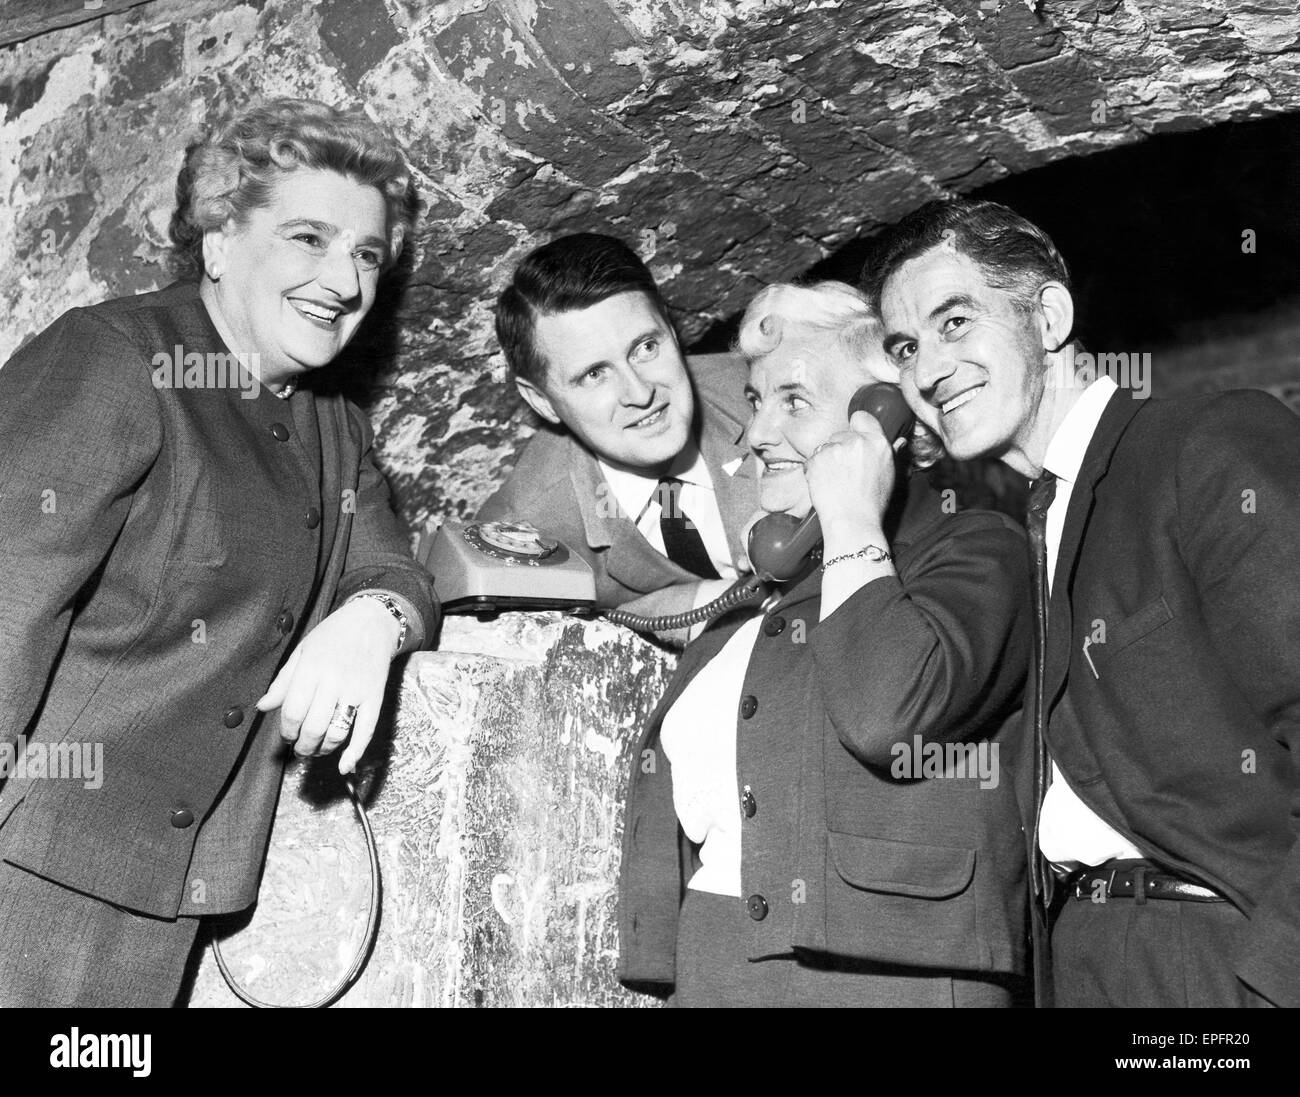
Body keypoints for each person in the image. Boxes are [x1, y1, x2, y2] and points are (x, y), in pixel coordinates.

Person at [0, 98, 438, 1007]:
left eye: (366, 254)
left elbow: (395, 570)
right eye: (308, 238)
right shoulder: (119, 357)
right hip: (33, 856)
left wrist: (370, 622)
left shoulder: (334, 426)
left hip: (167, 891)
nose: (343, 279)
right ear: (220, 239)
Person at [866, 197, 1300, 1008]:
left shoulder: (1203, 442)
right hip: (1081, 959)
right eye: (905, 346)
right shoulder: (1030, 523)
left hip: (1212, 957)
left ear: (1050, 315)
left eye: (955, 322)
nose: (926, 371)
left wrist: (1274, 981)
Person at [617, 281, 1033, 1006]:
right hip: (716, 968)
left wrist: (850, 517)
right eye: (754, 401)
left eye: (795, 401)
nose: (757, 434)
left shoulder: (974, 552)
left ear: (888, 419)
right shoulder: (762, 595)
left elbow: (886, 711)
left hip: (889, 980)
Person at [478, 233, 761, 640]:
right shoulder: (529, 530)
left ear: (672, 328)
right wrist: (679, 608)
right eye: (594, 375)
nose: (640, 393)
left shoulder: (763, 389)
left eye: (646, 347)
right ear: (541, 401)